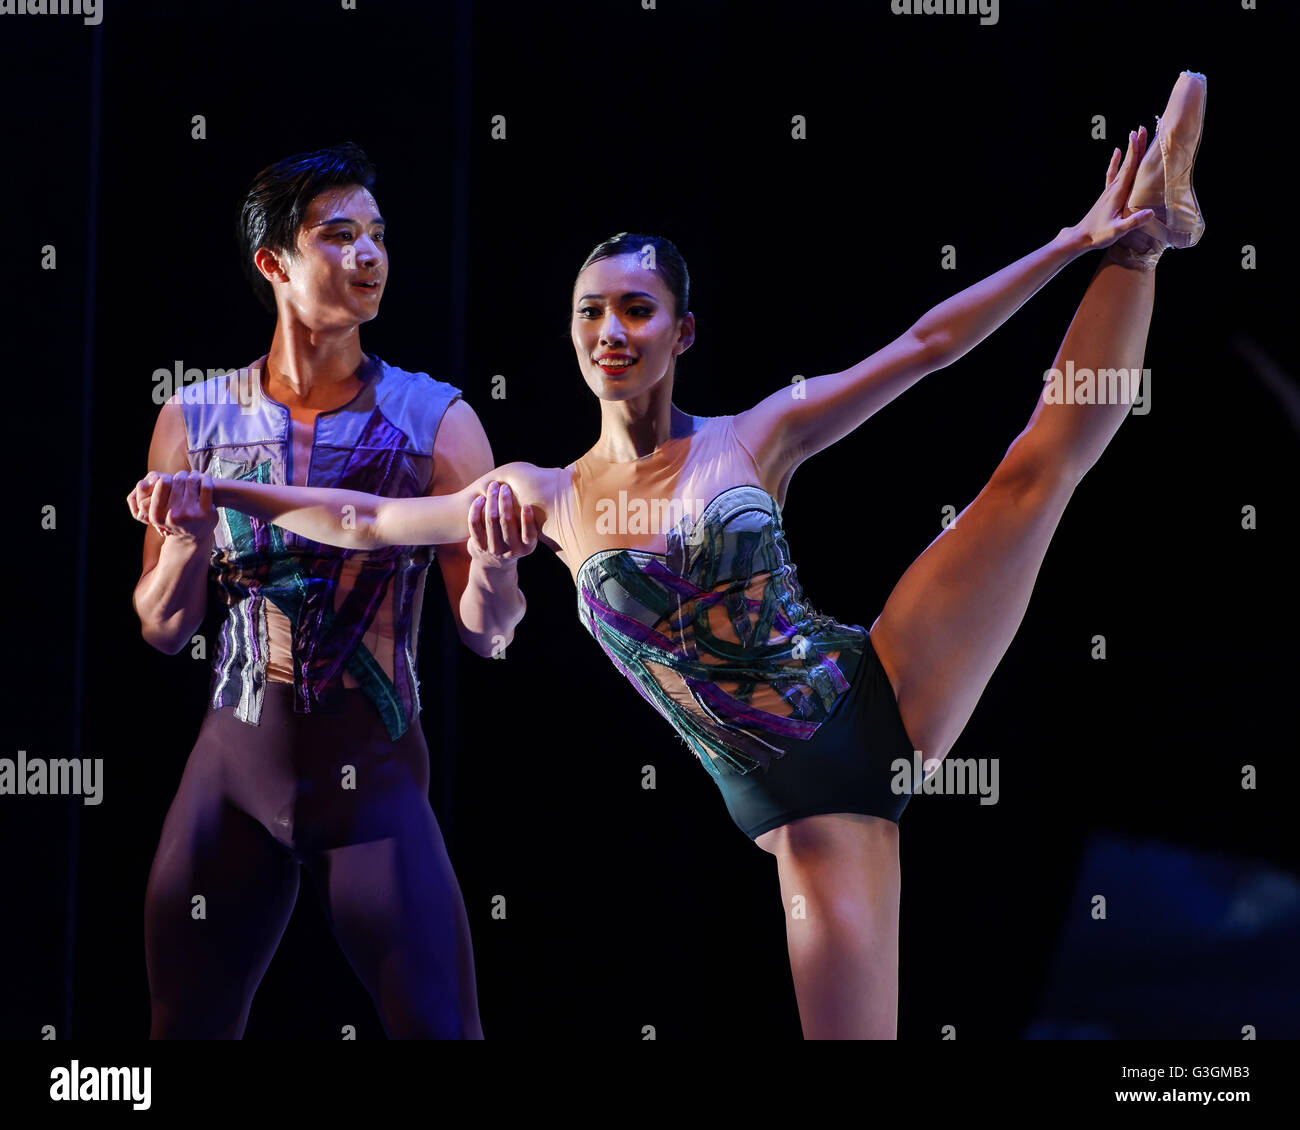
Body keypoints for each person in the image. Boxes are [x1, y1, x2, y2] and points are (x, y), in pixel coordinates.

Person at [129, 73, 1206, 1038]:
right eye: (589, 311)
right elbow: (360, 520)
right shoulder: (535, 495)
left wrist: (1075, 241)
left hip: (877, 681)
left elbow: (925, 345)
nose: (609, 329)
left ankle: (1143, 241)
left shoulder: (755, 433)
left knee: (1035, 471)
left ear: (678, 333)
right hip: (801, 798)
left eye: (635, 309)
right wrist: (213, 489)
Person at [130, 142, 537, 1038]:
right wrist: (186, 547)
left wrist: (498, 567)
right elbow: (163, 627)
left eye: (379, 236)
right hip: (230, 780)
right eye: (340, 235)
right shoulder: (194, 419)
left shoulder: (438, 420)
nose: (369, 256)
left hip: (377, 786)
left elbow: (488, 633)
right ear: (273, 262)